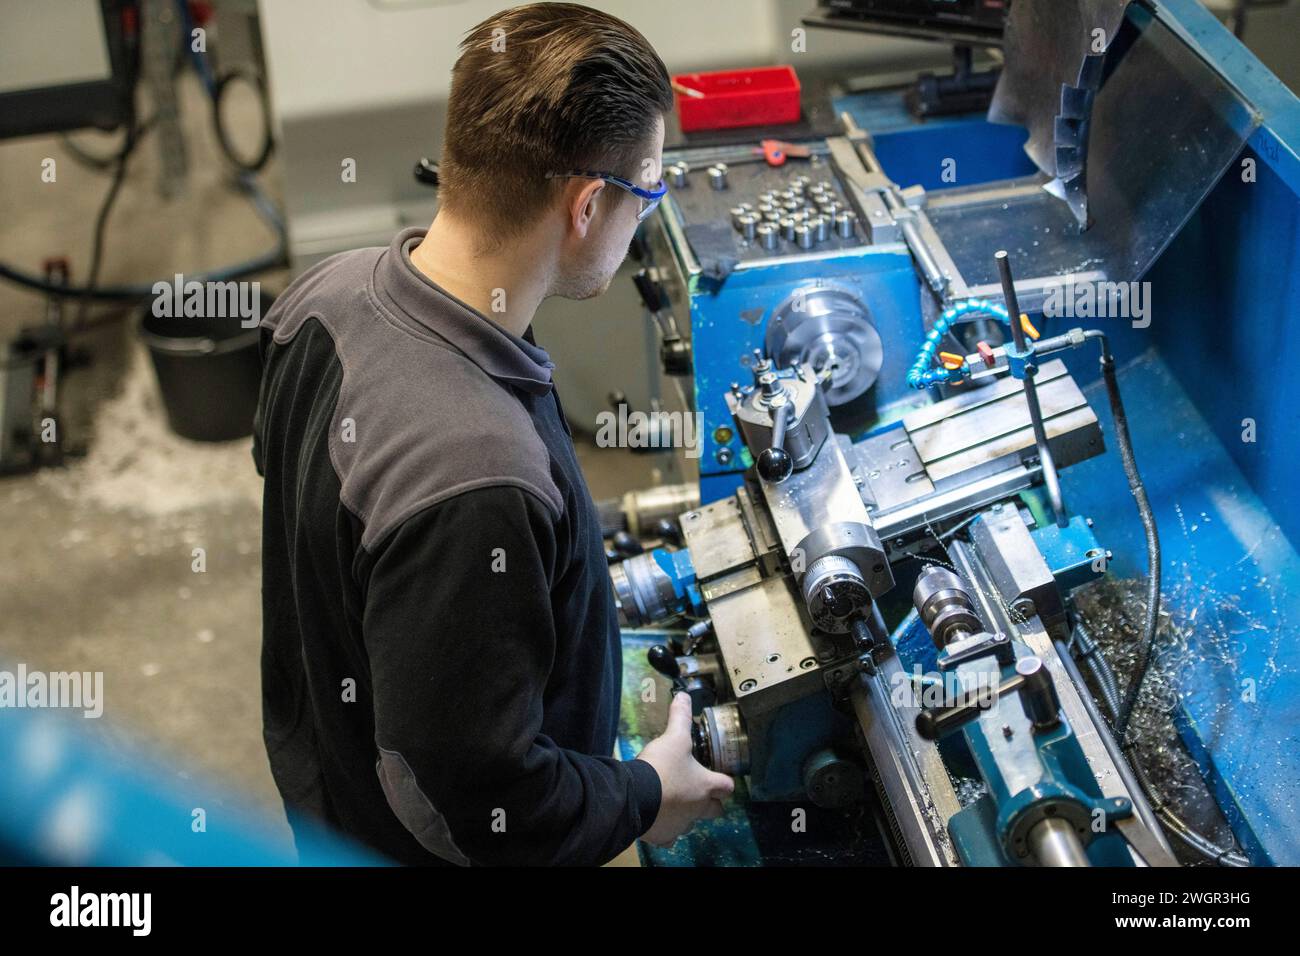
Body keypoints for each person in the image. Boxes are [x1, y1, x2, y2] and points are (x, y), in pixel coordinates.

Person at [252, 2, 733, 866]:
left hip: (328, 781)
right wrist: (646, 794)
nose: (645, 217)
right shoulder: (480, 480)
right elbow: (481, 805)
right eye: (649, 193)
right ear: (588, 206)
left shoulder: (321, 300)